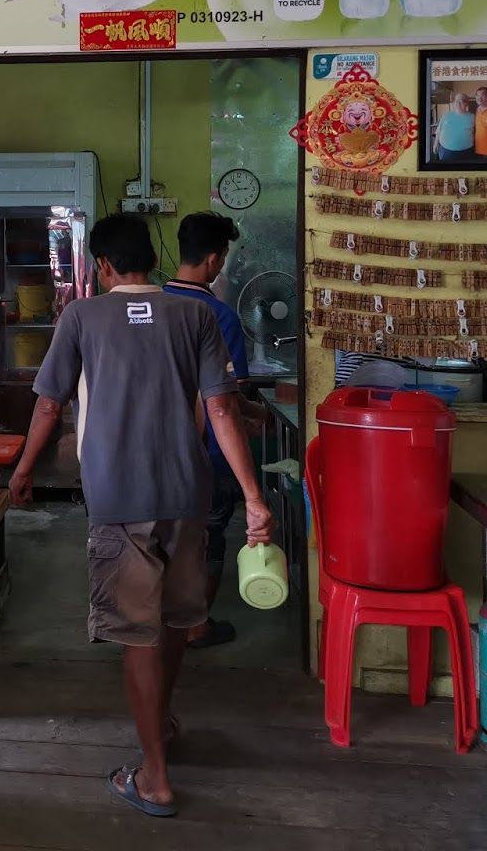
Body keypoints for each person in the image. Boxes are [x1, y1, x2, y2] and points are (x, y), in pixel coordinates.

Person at [8, 214, 273, 819]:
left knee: (136, 634)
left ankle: (153, 776)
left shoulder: (81, 316)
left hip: (118, 498)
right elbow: (224, 410)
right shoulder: (198, 314)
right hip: (187, 492)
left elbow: (50, 404)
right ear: (151, 259)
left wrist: (24, 470)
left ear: (102, 266)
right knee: (176, 621)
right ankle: (164, 723)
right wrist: (253, 496)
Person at [165, 211, 270, 650]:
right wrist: (256, 418)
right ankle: (196, 626)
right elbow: (225, 398)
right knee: (208, 541)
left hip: (157, 453)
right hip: (208, 454)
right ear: (214, 259)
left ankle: (163, 622)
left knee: (167, 541)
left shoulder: (153, 304)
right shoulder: (220, 315)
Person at [434, 92, 476, 161]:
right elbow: (439, 130)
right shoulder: (446, 115)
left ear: (467, 103)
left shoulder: (473, 117)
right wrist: (435, 143)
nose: (458, 103)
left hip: (466, 152)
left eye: (461, 101)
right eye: (456, 101)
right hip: (445, 151)